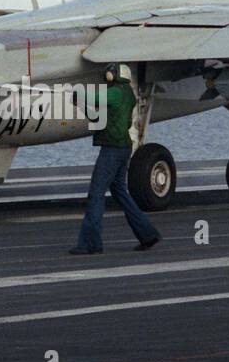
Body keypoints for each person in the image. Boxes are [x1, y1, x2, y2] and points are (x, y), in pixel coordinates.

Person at [69, 63, 162, 255]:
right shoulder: (125, 94)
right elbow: (97, 117)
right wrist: (80, 102)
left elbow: (96, 98)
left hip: (111, 151)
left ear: (117, 75)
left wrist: (79, 93)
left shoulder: (117, 92)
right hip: (123, 149)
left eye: (110, 71)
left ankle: (90, 243)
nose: (107, 74)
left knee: (96, 194)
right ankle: (147, 234)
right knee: (121, 193)